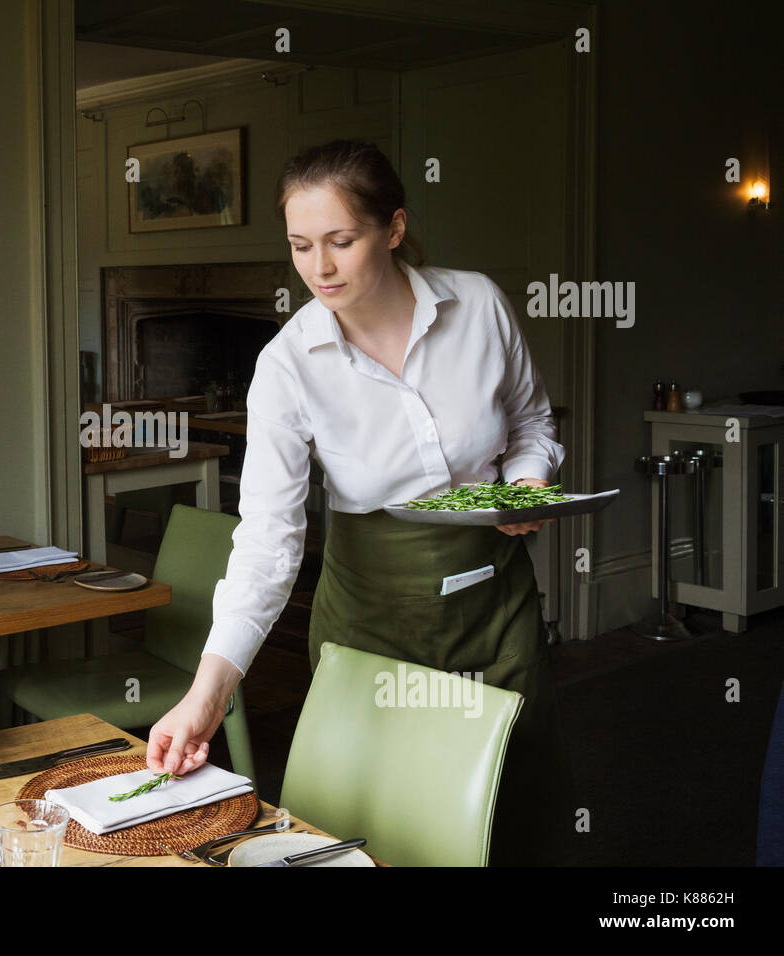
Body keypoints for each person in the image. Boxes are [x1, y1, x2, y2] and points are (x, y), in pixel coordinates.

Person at [145, 139, 576, 866]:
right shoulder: (285, 366)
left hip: (495, 610)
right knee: (367, 824)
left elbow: (531, 422)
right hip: (369, 623)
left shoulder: (478, 304)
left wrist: (528, 480)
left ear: (395, 228)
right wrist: (209, 691)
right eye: (301, 245)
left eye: (341, 241)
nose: (320, 267)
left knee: (506, 811)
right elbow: (267, 541)